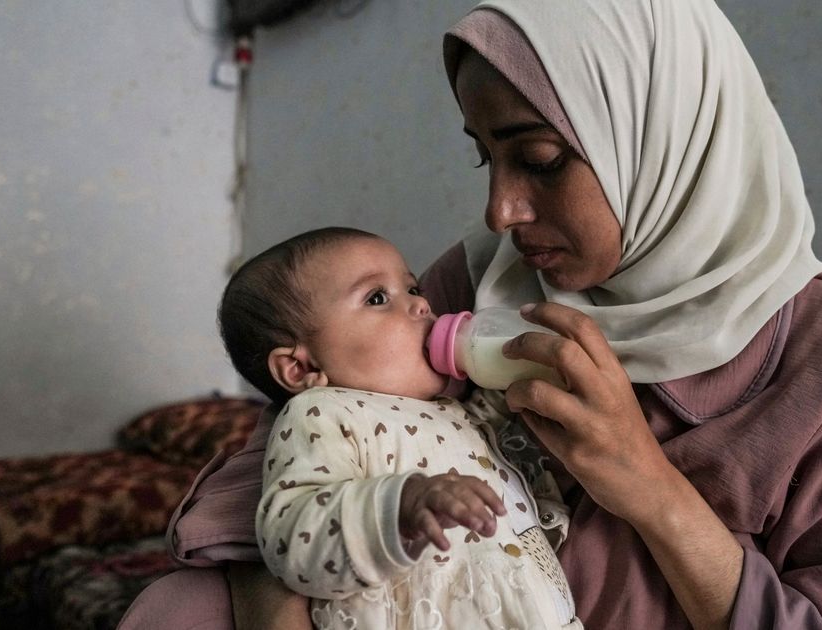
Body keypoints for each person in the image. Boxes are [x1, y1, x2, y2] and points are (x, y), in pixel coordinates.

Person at [120, 1, 822, 628]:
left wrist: (652, 487)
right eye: (487, 156)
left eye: (540, 159)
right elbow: (289, 454)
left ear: (660, 137)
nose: (501, 210)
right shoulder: (484, 276)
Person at [217, 227, 580, 629]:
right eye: (377, 298)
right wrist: (398, 507)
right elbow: (293, 536)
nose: (422, 305)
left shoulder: (456, 412)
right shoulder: (322, 413)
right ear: (302, 367)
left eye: (413, 288)